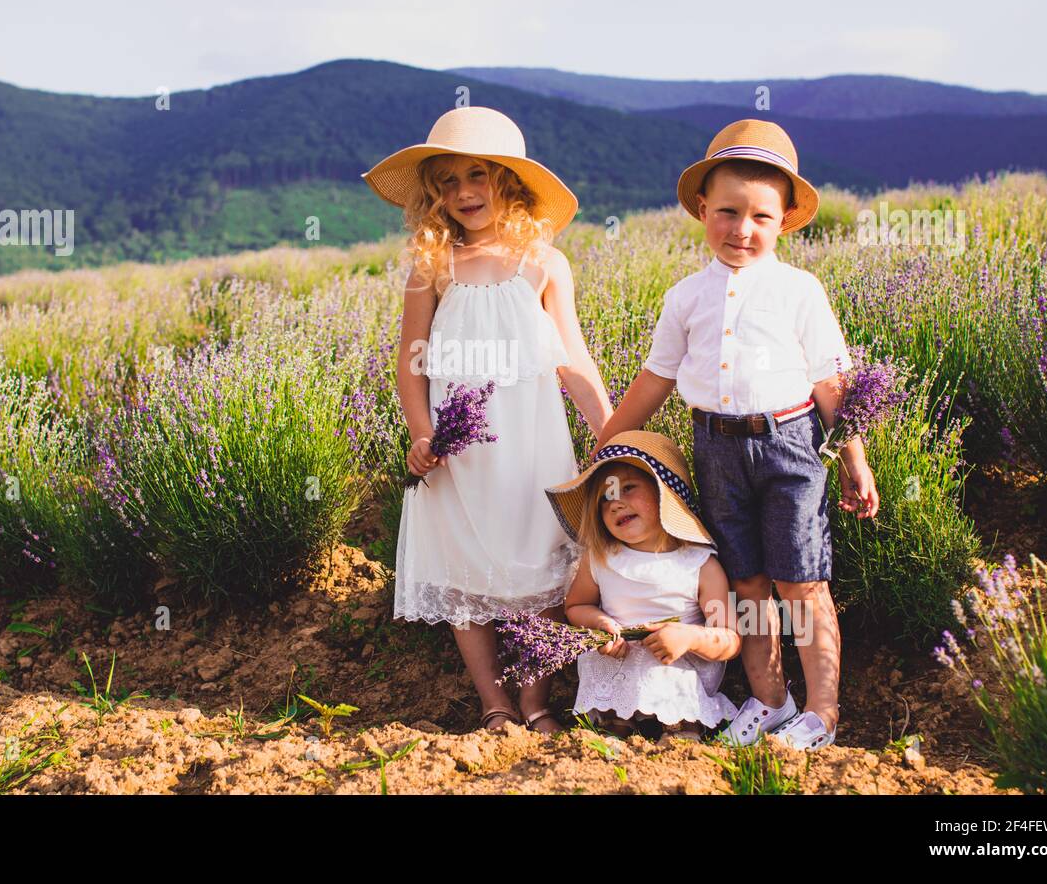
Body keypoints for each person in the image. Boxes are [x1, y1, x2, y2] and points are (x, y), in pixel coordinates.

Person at [593, 120, 880, 750]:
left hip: (791, 447)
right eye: (726, 212)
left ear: (784, 220)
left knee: (802, 582)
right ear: (702, 209)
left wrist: (857, 460)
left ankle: (822, 714)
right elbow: (655, 378)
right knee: (746, 581)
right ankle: (771, 699)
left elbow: (833, 383)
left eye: (760, 217)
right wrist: (608, 443)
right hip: (715, 450)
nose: (741, 230)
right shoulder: (686, 297)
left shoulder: (800, 291)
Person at [363, 106, 612, 734]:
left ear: (510, 182)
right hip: (458, 453)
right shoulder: (433, 268)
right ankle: (493, 704)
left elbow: (573, 361)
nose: (462, 192)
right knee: (465, 571)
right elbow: (411, 363)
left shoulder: (544, 266)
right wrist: (422, 434)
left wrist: (613, 438)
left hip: (533, 448)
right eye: (446, 181)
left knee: (541, 565)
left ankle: (535, 702)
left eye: (477, 174)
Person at [547, 431, 740, 740]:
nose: (615, 503)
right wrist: (600, 623)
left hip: (678, 662)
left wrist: (689, 637)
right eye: (604, 499)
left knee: (669, 676)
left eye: (628, 488)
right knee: (603, 666)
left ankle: (680, 729)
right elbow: (576, 606)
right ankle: (617, 724)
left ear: (666, 494)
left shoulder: (700, 565)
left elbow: (729, 638)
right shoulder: (601, 559)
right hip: (620, 656)